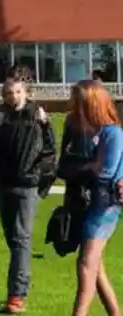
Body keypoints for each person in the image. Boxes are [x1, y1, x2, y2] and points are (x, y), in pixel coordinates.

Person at [0, 75, 54, 314]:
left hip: (27, 185)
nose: (14, 97)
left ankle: (16, 296)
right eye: (9, 93)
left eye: (18, 92)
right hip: (5, 184)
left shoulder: (37, 116)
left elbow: (50, 150)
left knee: (21, 239)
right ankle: (19, 286)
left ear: (26, 92)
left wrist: (42, 180)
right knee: (13, 239)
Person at [71, 79, 123, 316]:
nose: (74, 107)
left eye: (78, 103)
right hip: (92, 200)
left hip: (105, 205)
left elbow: (106, 170)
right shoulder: (89, 132)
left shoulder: (112, 133)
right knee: (95, 266)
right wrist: (90, 165)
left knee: (86, 263)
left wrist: (86, 166)